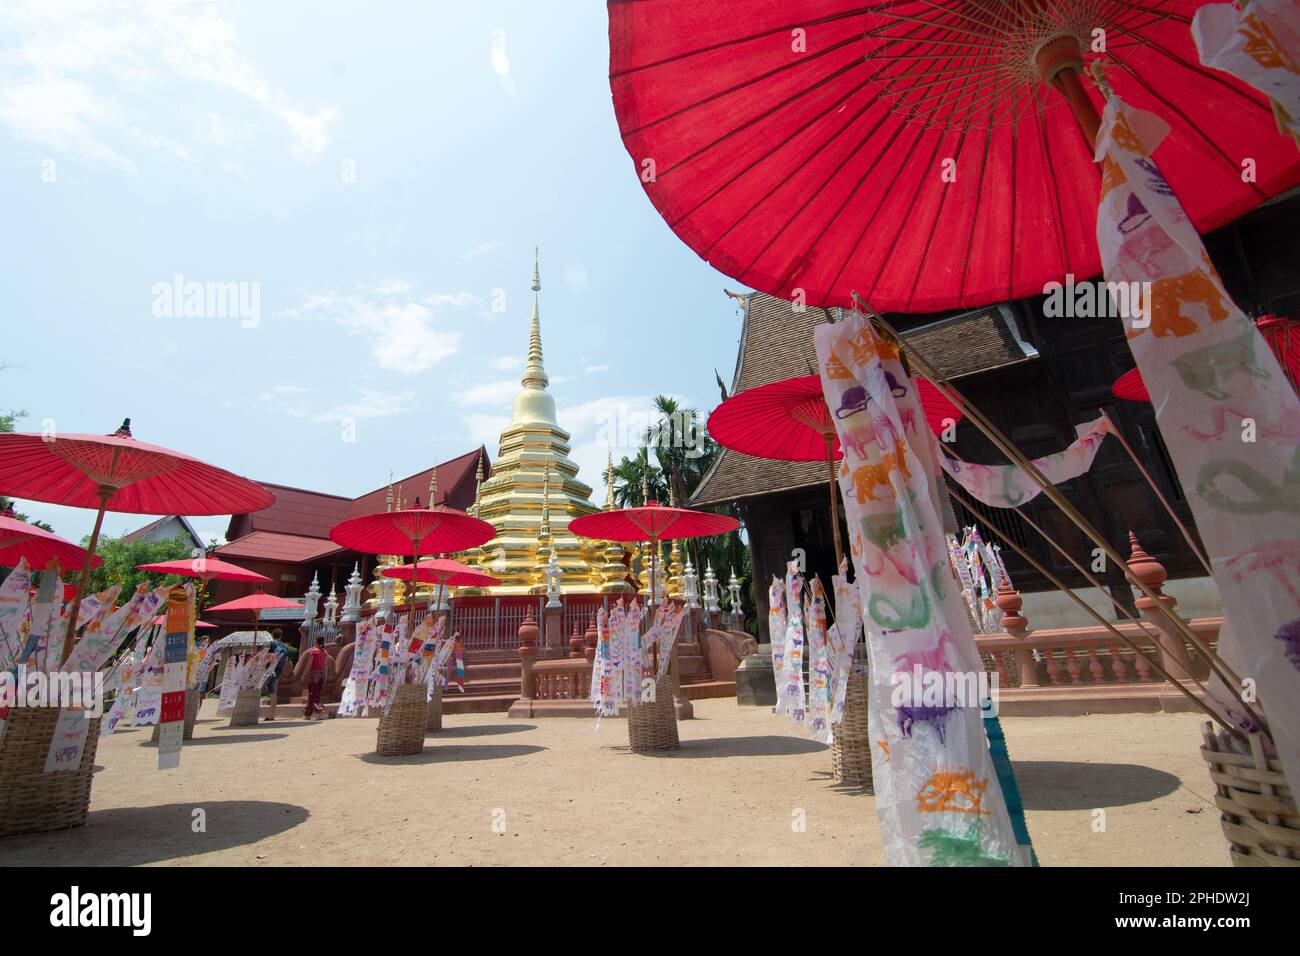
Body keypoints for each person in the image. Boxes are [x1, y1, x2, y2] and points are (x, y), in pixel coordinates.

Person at [297, 637, 335, 720]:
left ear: (317, 642)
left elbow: (309, 664)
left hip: (314, 675)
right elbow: (325, 665)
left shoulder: (313, 651)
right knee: (313, 695)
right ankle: (307, 714)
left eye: (314, 641)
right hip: (321, 675)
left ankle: (320, 713)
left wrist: (304, 674)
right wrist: (325, 676)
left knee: (313, 695)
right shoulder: (324, 652)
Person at [264, 644, 288, 721]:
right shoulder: (282, 647)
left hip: (266, 671)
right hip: (276, 671)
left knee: (258, 691)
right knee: (273, 693)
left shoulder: (270, 644)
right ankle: (271, 715)